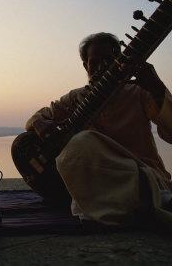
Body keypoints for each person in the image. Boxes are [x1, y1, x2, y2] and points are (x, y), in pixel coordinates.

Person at [13, 32, 172, 226]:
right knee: (25, 144)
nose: (101, 67)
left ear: (119, 61)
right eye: (94, 62)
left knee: (82, 141)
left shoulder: (139, 92)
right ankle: (121, 201)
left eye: (108, 61)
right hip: (95, 181)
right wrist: (39, 124)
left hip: (139, 174)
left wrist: (156, 87)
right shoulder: (77, 98)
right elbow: (38, 117)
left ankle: (147, 197)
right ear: (85, 65)